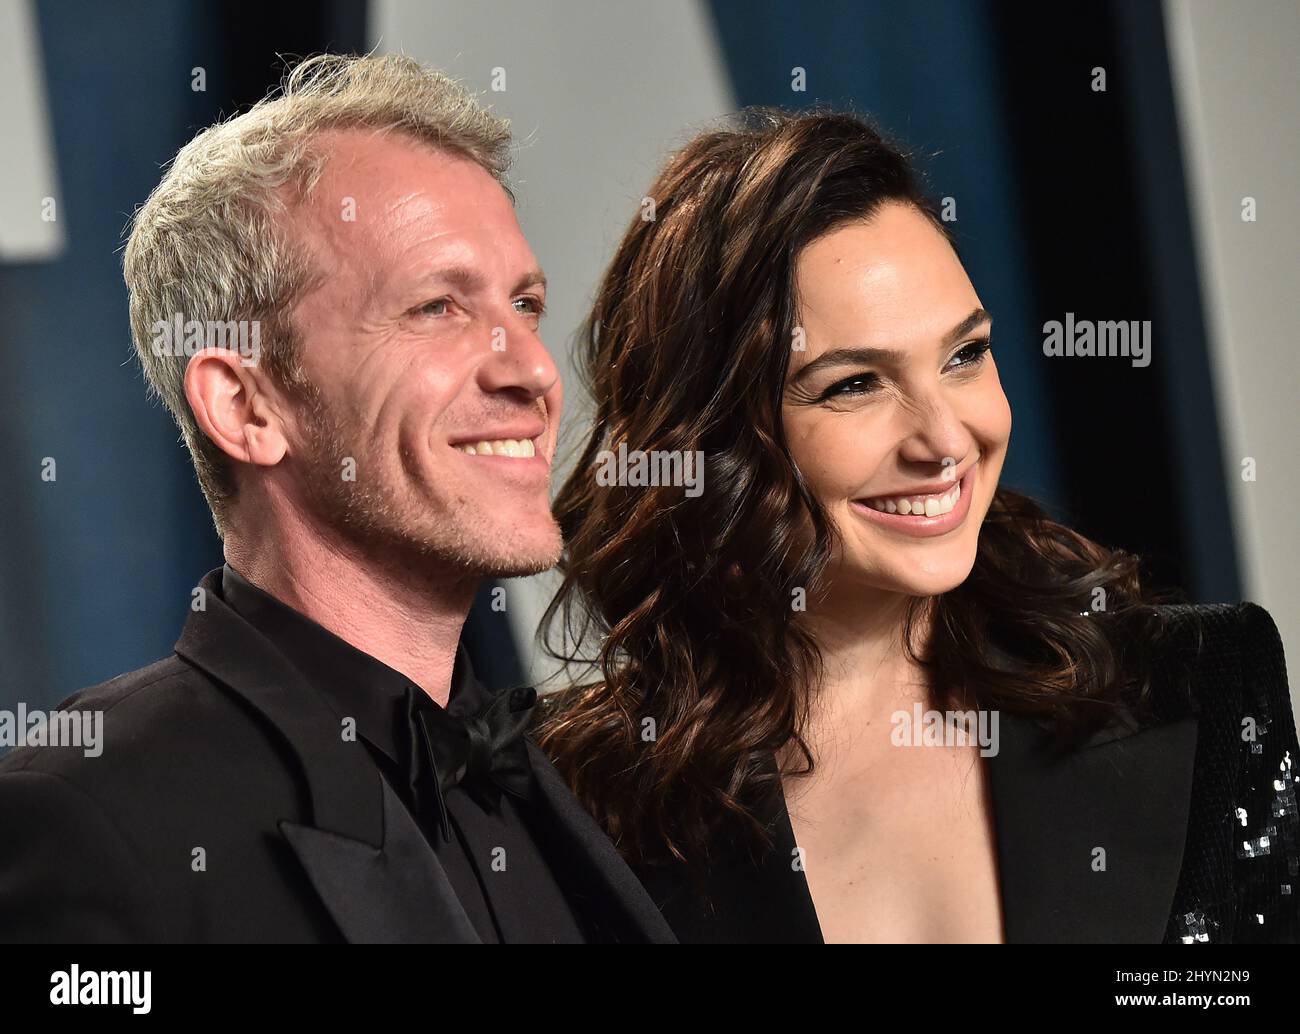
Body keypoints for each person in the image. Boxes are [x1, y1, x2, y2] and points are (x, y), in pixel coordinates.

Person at [536, 108, 1299, 944]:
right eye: (854, 384)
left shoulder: (1197, 685)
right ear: (714, 445)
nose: (944, 441)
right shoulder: (577, 801)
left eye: (964, 355)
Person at [0, 53, 673, 945]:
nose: (535, 372)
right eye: (437, 307)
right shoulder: (88, 815)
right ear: (248, 407)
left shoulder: (578, 791)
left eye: (525, 304)